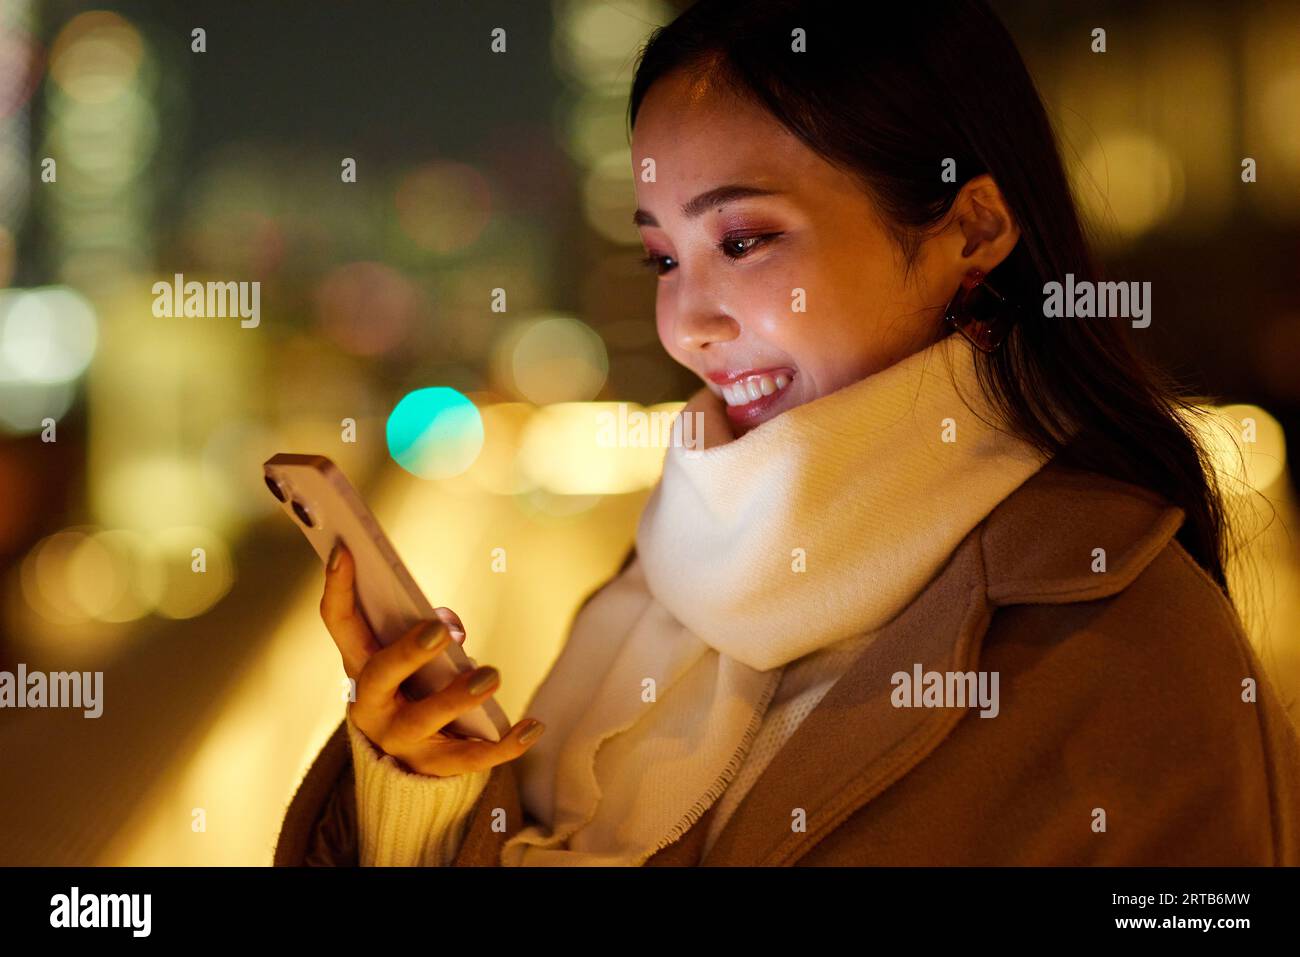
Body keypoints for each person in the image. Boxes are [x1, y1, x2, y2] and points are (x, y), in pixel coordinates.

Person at [275, 0, 1300, 866]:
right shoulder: (658, 581)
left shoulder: (1123, 640)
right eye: (663, 259)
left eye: (745, 238)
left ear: (971, 231)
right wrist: (417, 785)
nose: (687, 325)